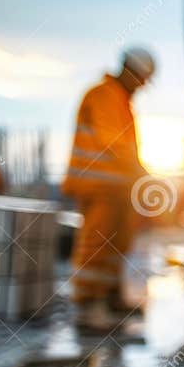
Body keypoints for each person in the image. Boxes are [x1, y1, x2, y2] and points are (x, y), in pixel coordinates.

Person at [61, 47, 155, 331]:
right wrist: (143, 172)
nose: (141, 87)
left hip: (115, 187)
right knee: (96, 246)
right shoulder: (104, 95)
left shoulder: (121, 99)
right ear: (129, 71)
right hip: (97, 183)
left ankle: (111, 298)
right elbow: (113, 141)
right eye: (140, 80)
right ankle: (88, 307)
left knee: (116, 244)